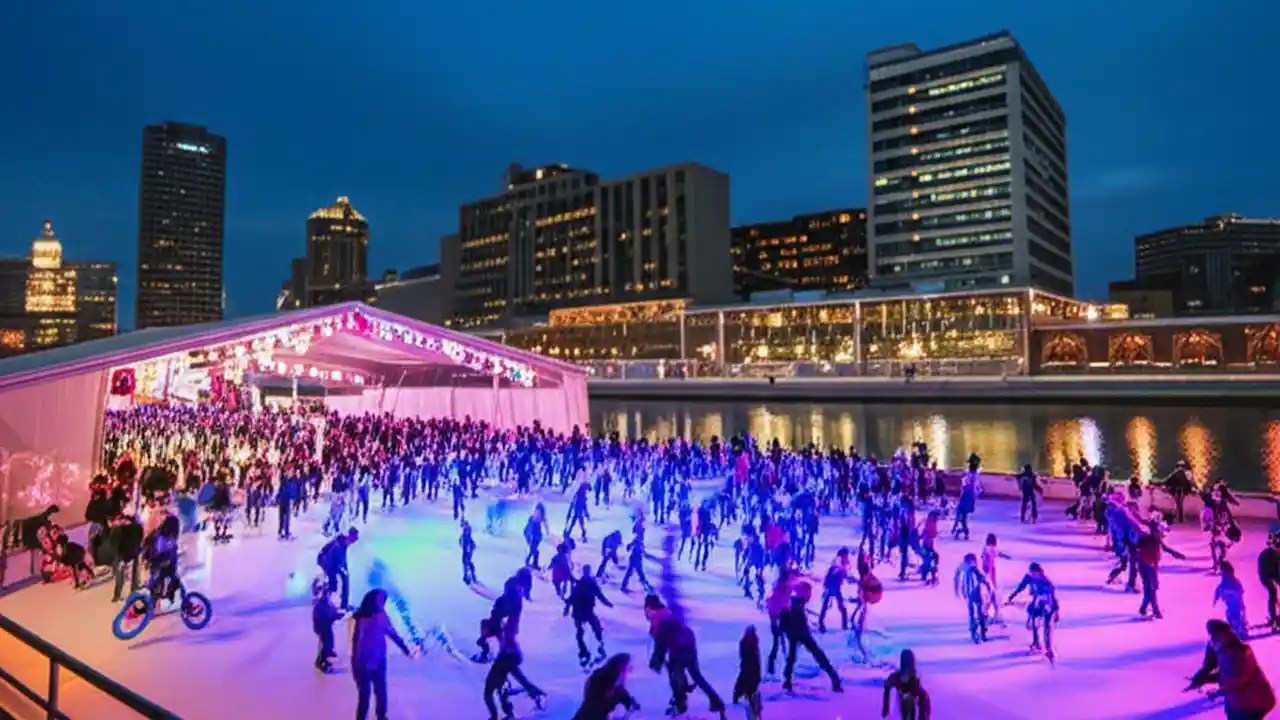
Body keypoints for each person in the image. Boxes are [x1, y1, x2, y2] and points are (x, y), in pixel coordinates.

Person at [644, 594, 726, 719]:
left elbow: (660, 645)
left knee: (677, 677)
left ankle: (680, 704)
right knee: (691, 676)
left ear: (651, 608)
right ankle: (715, 701)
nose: (645, 612)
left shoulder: (661, 620)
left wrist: (656, 662)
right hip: (685, 645)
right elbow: (660, 642)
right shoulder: (661, 616)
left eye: (647, 609)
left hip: (681, 648)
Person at [1187, 619, 1275, 720]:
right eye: (1211, 635)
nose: (1212, 639)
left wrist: (1217, 692)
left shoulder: (1238, 652)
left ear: (1224, 634)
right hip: (1240, 701)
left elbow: (1236, 680)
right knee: (1232, 712)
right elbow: (1215, 668)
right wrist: (1201, 678)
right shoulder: (1220, 648)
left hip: (1254, 701)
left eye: (1215, 635)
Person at [350, 589, 413, 720]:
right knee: (365, 695)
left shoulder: (382, 615)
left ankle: (381, 715)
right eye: (381, 600)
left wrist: (405, 648)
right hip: (364, 664)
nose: (383, 604)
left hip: (379, 661)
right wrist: (356, 666)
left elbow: (392, 633)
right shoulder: (360, 619)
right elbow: (356, 644)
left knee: (381, 692)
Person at [779, 584, 843, 693]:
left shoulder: (796, 602)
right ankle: (834, 677)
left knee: (795, 657)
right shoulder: (794, 604)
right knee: (815, 654)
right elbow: (785, 621)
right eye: (808, 592)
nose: (810, 596)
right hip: (800, 634)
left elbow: (786, 622)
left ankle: (787, 680)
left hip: (799, 634)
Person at [1006, 562, 1060, 662]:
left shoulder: (1047, 583)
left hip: (1047, 606)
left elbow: (1052, 598)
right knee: (1034, 623)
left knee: (1047, 628)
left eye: (1034, 573)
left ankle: (1049, 649)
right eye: (1031, 573)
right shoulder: (1029, 577)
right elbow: (1021, 586)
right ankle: (1036, 643)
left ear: (1039, 572)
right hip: (1037, 603)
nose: (1032, 575)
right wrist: (1012, 595)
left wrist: (1056, 612)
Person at [564, 564, 613, 668]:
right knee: (580, 632)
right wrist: (567, 608)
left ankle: (600, 644)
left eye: (588, 571)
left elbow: (599, 595)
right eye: (585, 571)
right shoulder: (580, 584)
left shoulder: (591, 584)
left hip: (587, 610)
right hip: (578, 611)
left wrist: (607, 603)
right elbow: (572, 597)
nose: (587, 573)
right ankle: (583, 651)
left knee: (596, 627)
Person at [571, 653, 639, 720]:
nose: (628, 673)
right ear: (621, 667)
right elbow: (595, 707)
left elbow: (624, 696)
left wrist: (630, 703)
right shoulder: (601, 678)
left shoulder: (616, 687)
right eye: (628, 668)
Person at [954, 552, 992, 644]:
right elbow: (957, 575)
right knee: (976, 614)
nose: (967, 563)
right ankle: (977, 634)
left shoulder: (975, 569)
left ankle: (979, 633)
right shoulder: (965, 566)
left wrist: (989, 592)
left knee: (979, 614)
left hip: (978, 595)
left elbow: (986, 581)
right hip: (971, 595)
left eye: (968, 561)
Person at [882, 649, 931, 720]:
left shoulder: (898, 676)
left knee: (921, 697)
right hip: (908, 697)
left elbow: (887, 686)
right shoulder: (912, 675)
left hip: (908, 697)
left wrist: (885, 708)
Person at [318, 528, 359, 610]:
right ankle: (326, 600)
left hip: (330, 560)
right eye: (352, 541)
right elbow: (331, 561)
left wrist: (345, 569)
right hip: (326, 561)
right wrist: (341, 570)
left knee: (344, 578)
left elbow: (343, 560)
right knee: (335, 583)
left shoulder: (343, 542)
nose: (352, 543)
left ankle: (343, 604)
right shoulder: (337, 546)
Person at [732, 626, 763, 720]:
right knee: (745, 682)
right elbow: (745, 655)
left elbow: (756, 655)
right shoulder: (745, 642)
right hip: (747, 666)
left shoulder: (753, 640)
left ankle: (748, 697)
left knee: (751, 684)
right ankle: (741, 696)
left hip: (752, 666)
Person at [312, 581, 343, 672]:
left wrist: (336, 615)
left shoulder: (324, 602)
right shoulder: (322, 603)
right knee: (326, 644)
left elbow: (330, 612)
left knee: (326, 643)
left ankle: (323, 660)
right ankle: (322, 662)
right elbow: (326, 615)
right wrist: (335, 616)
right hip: (323, 627)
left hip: (324, 627)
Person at [1214, 561, 1249, 640]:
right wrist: (1217, 596)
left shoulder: (1233, 581)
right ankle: (1237, 630)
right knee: (1232, 615)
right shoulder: (1225, 581)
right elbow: (1220, 588)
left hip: (1236, 602)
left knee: (1238, 615)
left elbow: (1239, 590)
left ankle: (1241, 630)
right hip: (1231, 603)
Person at [1259, 528, 1280, 632]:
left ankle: (1274, 618)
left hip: (1266, 575)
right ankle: (1273, 619)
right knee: (1273, 594)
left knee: (1273, 594)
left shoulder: (1271, 553)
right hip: (1266, 576)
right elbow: (1275, 573)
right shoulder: (1274, 555)